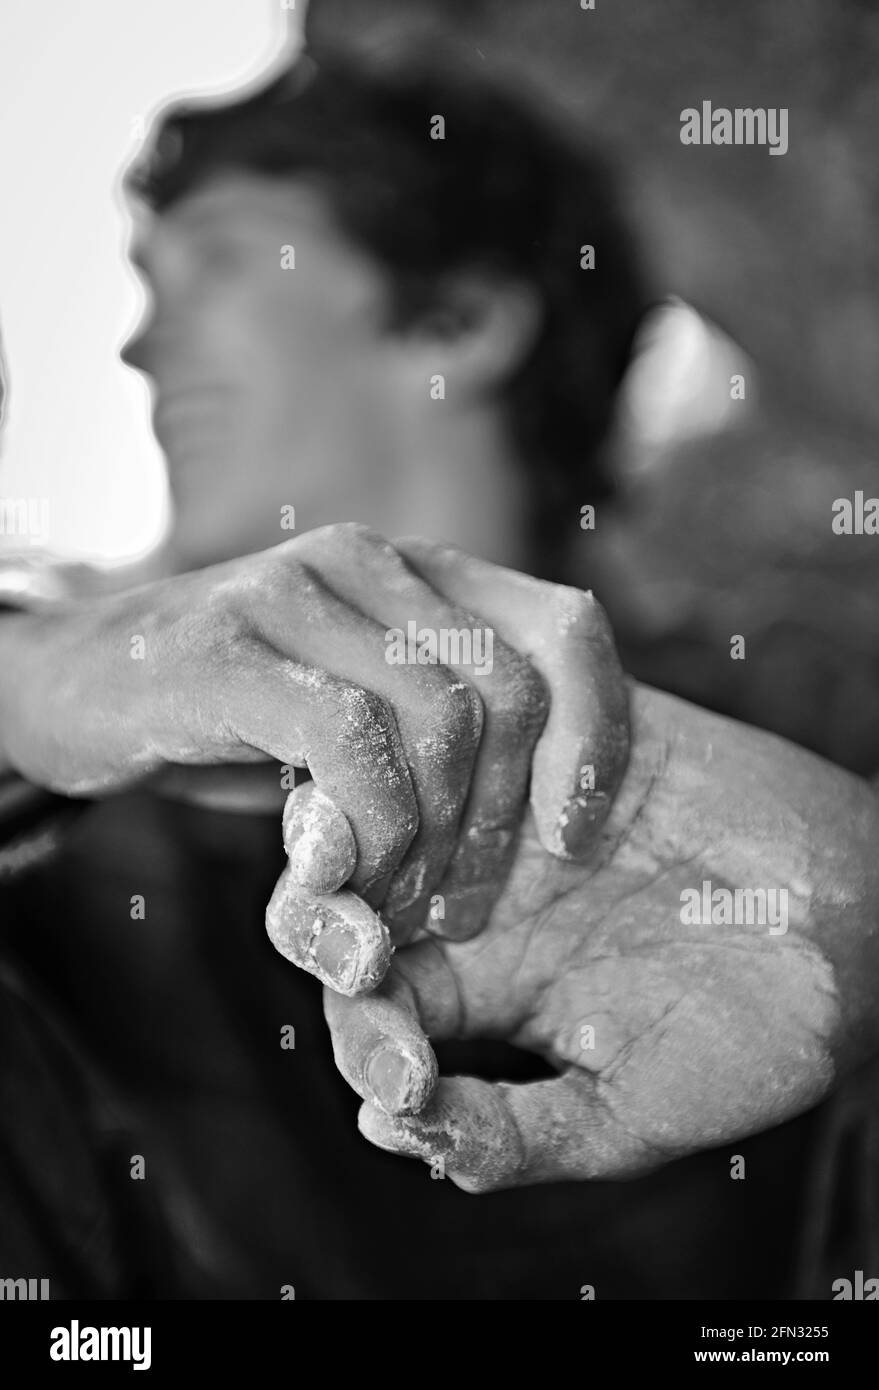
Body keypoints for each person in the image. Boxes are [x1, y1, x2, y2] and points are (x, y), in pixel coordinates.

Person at [2, 53, 877, 1297]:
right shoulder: (69, 842)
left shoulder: (822, 718)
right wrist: (29, 678)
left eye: (216, 262)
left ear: (458, 318)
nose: (141, 345)